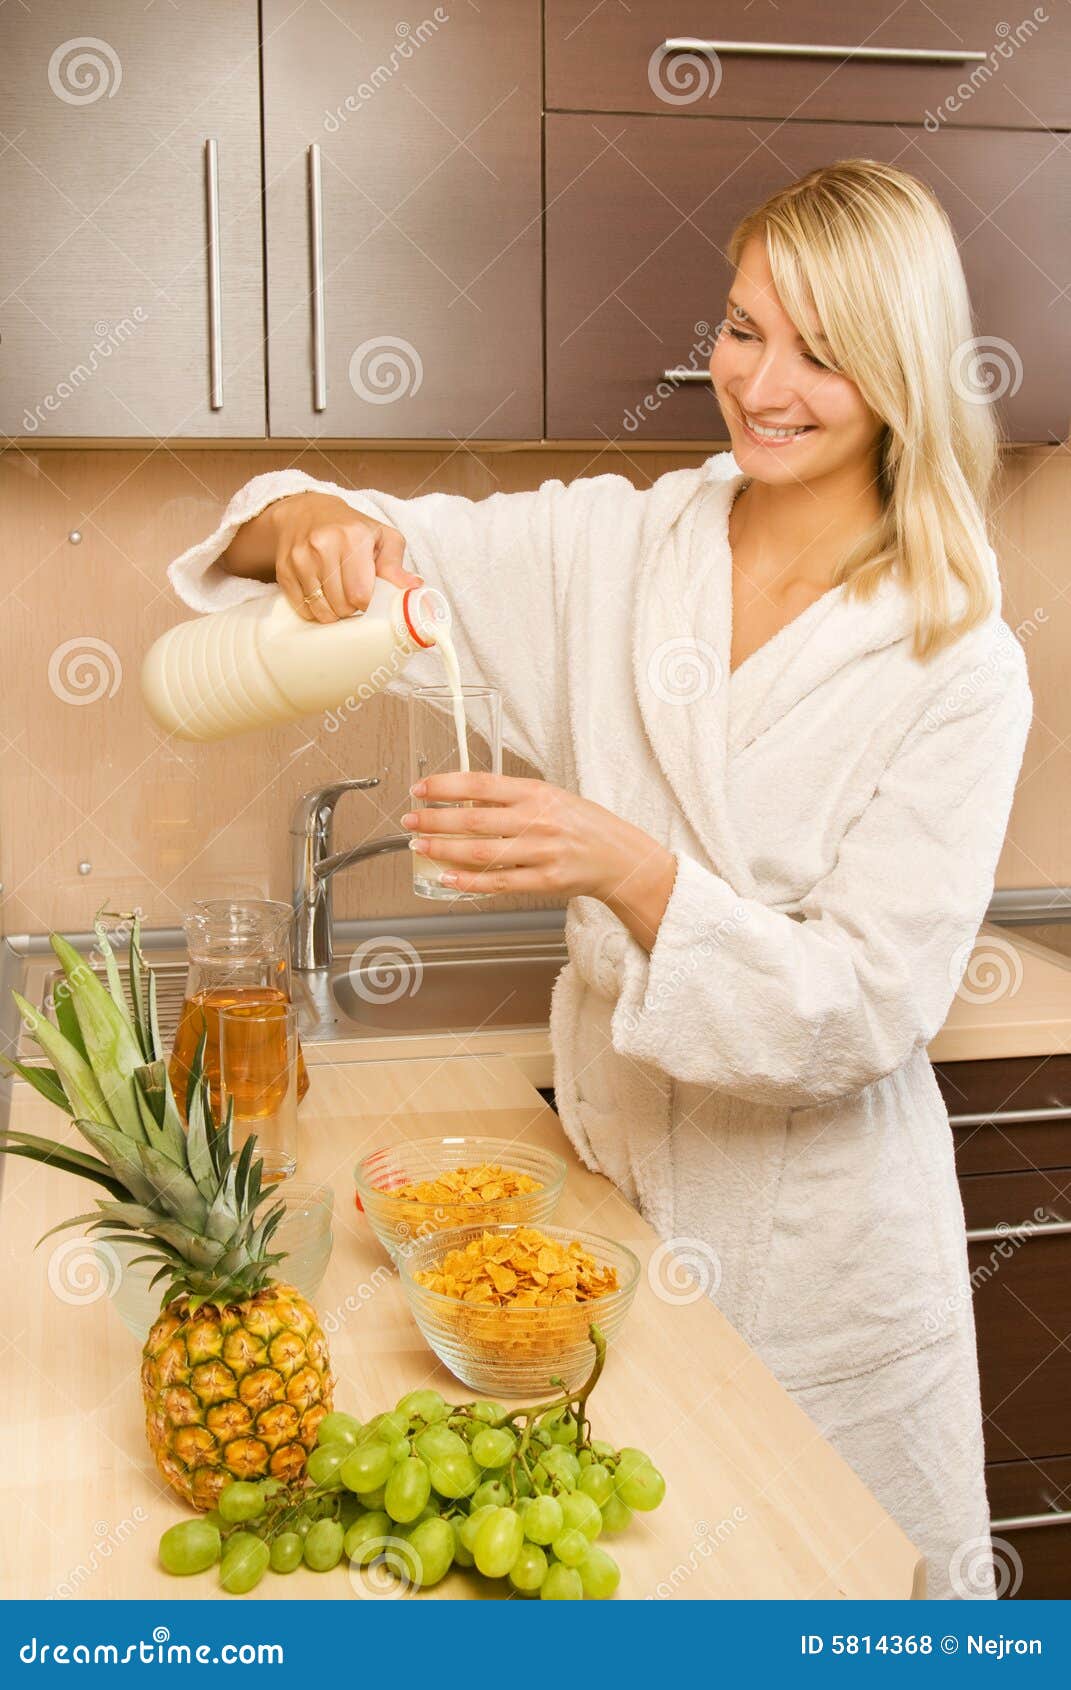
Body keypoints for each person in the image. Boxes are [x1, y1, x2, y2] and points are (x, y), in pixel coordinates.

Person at [166, 160, 1033, 1598]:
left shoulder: (958, 657)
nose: (762, 381)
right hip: (613, 1226)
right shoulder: (616, 550)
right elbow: (318, 537)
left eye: (822, 351)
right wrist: (308, 520)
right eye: (745, 327)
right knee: (632, 1593)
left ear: (902, 371)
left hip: (827, 1256)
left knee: (837, 1602)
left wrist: (633, 871)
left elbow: (867, 1007)